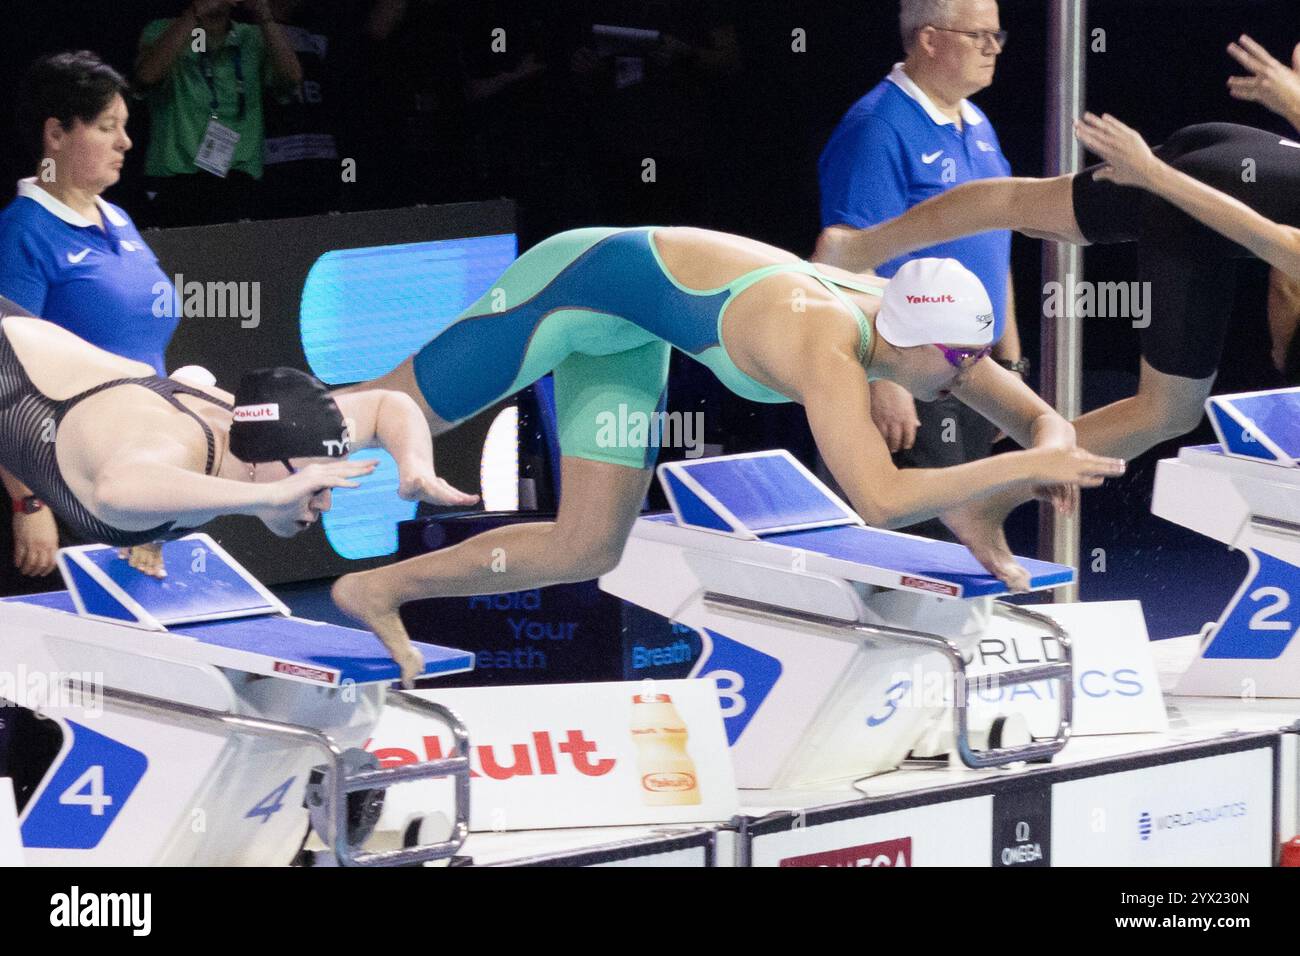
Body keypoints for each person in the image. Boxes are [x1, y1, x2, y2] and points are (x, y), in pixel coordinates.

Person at [328, 226, 1125, 683]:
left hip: (628, 332)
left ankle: (376, 590)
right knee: (371, 415)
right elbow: (880, 499)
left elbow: (1045, 426)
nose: (971, 375)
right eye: (960, 362)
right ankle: (215, 436)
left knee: (586, 547)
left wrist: (992, 494)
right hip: (572, 285)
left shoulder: (921, 329)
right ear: (909, 340)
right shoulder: (827, 344)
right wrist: (1019, 470)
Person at [814, 117, 1300, 466]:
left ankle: (857, 248)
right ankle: (982, 492)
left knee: (1019, 201)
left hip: (1231, 145)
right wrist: (1156, 178)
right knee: (1168, 411)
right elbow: (1270, 241)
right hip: (1194, 201)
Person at [0, 300, 478, 583]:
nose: (323, 502)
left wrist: (416, 467)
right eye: (313, 485)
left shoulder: (286, 433)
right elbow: (114, 491)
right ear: (263, 465)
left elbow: (385, 406)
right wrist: (267, 497)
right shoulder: (174, 447)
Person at [818, 0, 1025, 540]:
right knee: (912, 547)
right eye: (977, 35)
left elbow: (992, 240)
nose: (993, 48)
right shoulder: (877, 127)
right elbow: (848, 265)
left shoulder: (977, 122)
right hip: (910, 371)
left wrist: (1010, 357)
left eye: (996, 35)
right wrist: (882, 381)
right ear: (929, 40)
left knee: (963, 535)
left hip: (971, 369)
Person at [0, 51, 182, 591]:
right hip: (60, 494)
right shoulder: (21, 234)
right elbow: (5, 377)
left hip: (135, 486)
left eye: (124, 128)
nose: (125, 142)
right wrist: (27, 497)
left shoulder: (118, 218)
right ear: (56, 134)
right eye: (107, 128)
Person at [135, 0, 303, 226]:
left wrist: (266, 17)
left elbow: (292, 79)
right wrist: (194, 13)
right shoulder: (163, 29)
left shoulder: (252, 36)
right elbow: (147, 75)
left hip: (239, 175)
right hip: (176, 177)